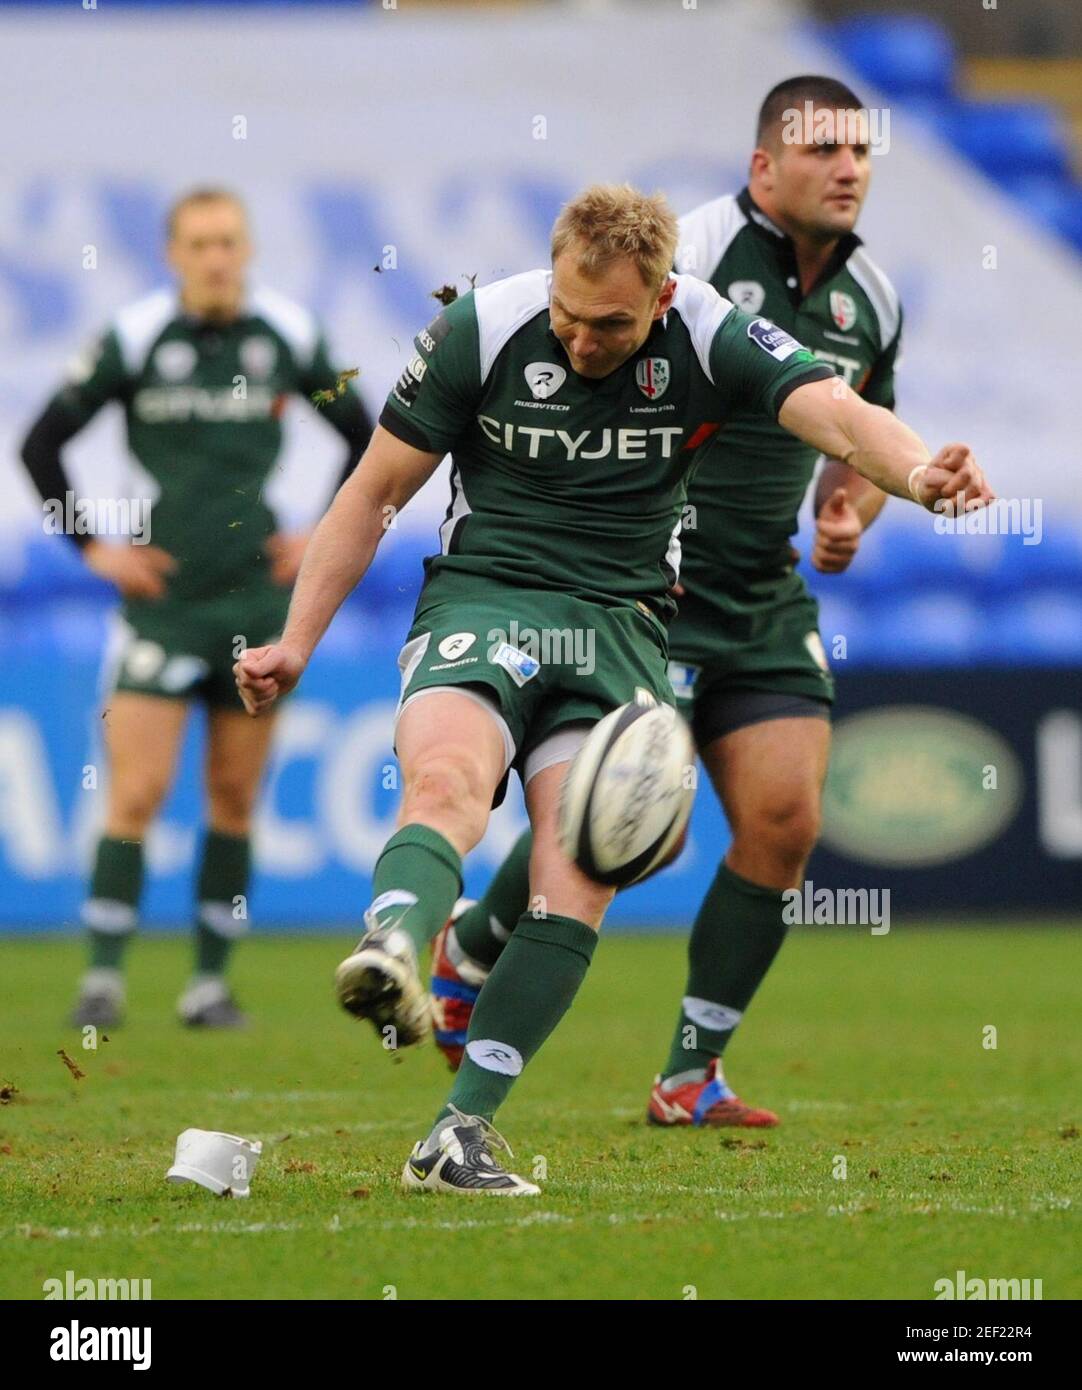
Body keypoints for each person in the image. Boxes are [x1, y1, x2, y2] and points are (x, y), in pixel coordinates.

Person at [235, 183, 990, 1195]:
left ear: (663, 296)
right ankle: (394, 945)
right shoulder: (480, 327)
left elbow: (844, 421)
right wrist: (294, 641)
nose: (583, 341)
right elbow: (370, 494)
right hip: (485, 599)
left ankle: (457, 1134)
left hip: (622, 627)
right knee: (449, 783)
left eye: (611, 325)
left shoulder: (714, 334)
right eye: (569, 315)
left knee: (577, 876)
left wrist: (919, 474)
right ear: (549, 280)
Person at [431, 75, 904, 1131]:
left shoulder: (871, 295)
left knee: (784, 820)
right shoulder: (684, 257)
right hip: (660, 582)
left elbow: (865, 428)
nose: (845, 168)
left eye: (859, 153)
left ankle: (690, 1071)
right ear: (760, 167)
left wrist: (850, 509)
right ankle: (468, 944)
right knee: (606, 807)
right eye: (822, 150)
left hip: (765, 590)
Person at [20, 187, 372, 1029]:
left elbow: (365, 433)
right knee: (135, 792)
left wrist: (320, 529)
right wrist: (95, 546)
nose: (216, 257)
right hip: (164, 604)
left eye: (228, 242)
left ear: (246, 250)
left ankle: (209, 985)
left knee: (234, 797)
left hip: (255, 601)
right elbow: (39, 444)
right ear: (172, 254)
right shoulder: (137, 338)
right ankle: (103, 980)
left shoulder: (286, 335)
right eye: (199, 244)